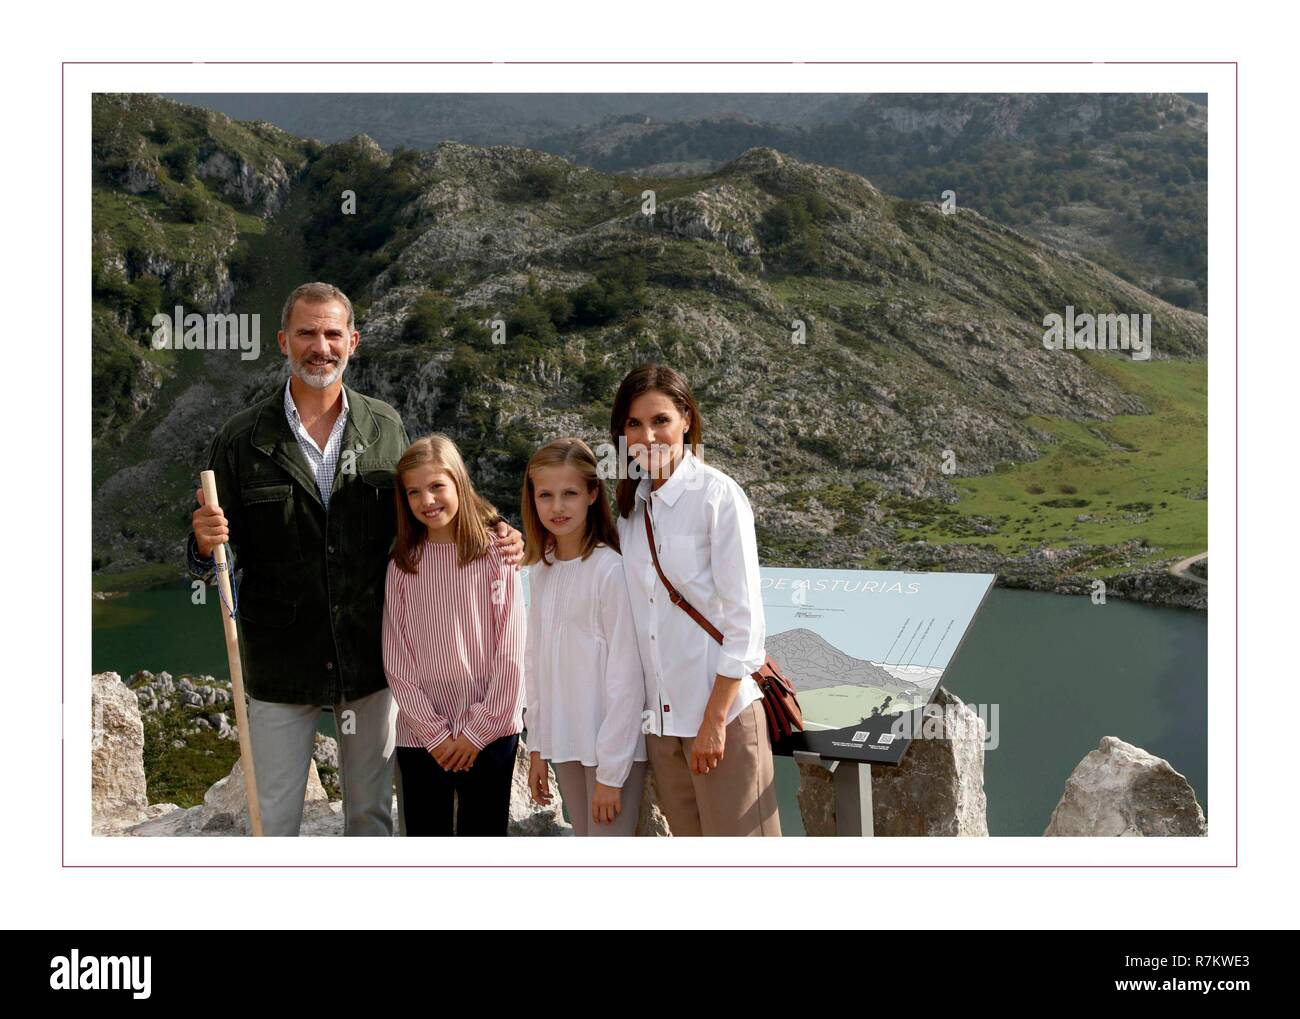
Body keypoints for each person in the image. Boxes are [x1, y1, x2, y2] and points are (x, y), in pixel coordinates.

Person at [187, 282, 523, 836]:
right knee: (271, 818)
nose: (320, 345)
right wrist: (202, 542)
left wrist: (497, 527)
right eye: (307, 333)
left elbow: (431, 500)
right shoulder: (240, 439)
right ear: (283, 341)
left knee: (370, 814)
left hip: (370, 659)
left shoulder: (384, 426)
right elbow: (215, 552)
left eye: (332, 333)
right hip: (280, 662)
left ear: (353, 341)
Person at [611, 363, 781, 836]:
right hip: (663, 730)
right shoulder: (631, 511)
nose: (647, 435)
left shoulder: (718, 497)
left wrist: (714, 722)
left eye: (660, 420)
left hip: (719, 721)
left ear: (686, 419)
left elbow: (745, 625)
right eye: (633, 424)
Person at [382, 434, 526, 836]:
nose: (427, 500)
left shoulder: (499, 555)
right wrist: (436, 734)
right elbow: (397, 659)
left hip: (492, 733)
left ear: (459, 484)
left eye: (437, 486)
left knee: (484, 835)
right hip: (422, 738)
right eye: (414, 492)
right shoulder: (403, 565)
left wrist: (476, 732)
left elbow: (511, 650)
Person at [520, 438, 647, 836]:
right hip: (565, 741)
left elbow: (627, 678)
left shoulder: (610, 569)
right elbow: (535, 664)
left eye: (570, 494)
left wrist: (611, 773)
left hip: (612, 751)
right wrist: (538, 745)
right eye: (546, 495)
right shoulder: (542, 571)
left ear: (593, 493)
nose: (557, 507)